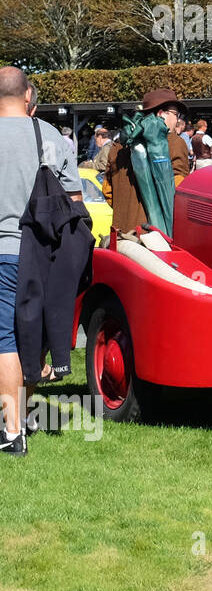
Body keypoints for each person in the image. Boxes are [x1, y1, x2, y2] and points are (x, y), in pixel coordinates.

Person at [0, 68, 85, 457]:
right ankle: (23, 415)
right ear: (29, 94)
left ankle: (12, 430)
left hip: (2, 252)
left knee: (4, 339)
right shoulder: (50, 136)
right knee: (33, 338)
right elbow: (75, 203)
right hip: (43, 252)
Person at [100, 88, 191, 236]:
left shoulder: (118, 146)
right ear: (162, 114)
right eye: (176, 114)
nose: (178, 120)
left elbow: (108, 191)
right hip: (152, 240)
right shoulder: (174, 143)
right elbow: (178, 194)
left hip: (119, 236)